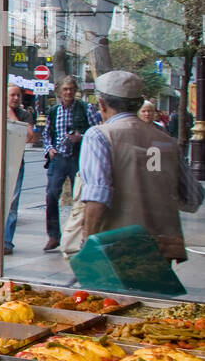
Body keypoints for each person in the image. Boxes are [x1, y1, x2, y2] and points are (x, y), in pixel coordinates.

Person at [79, 70, 202, 265]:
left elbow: (97, 197)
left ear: (102, 104)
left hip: (118, 247)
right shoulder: (167, 141)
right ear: (138, 103)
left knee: (116, 297)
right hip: (162, 247)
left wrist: (87, 246)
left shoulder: (99, 136)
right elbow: (194, 198)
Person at [42, 74, 90, 251]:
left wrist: (80, 137)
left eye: (71, 89)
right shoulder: (54, 111)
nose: (68, 92)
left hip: (78, 158)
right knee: (51, 195)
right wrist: (50, 149)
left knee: (82, 198)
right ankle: (54, 235)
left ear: (75, 91)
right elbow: (47, 134)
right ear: (59, 92)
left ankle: (81, 236)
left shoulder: (85, 108)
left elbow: (95, 133)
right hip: (59, 158)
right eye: (65, 89)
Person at [3, 83, 36, 256]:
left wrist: (10, 114)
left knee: (12, 202)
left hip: (16, 162)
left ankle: (6, 241)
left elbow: (29, 136)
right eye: (12, 95)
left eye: (18, 95)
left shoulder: (24, 115)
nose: (15, 98)